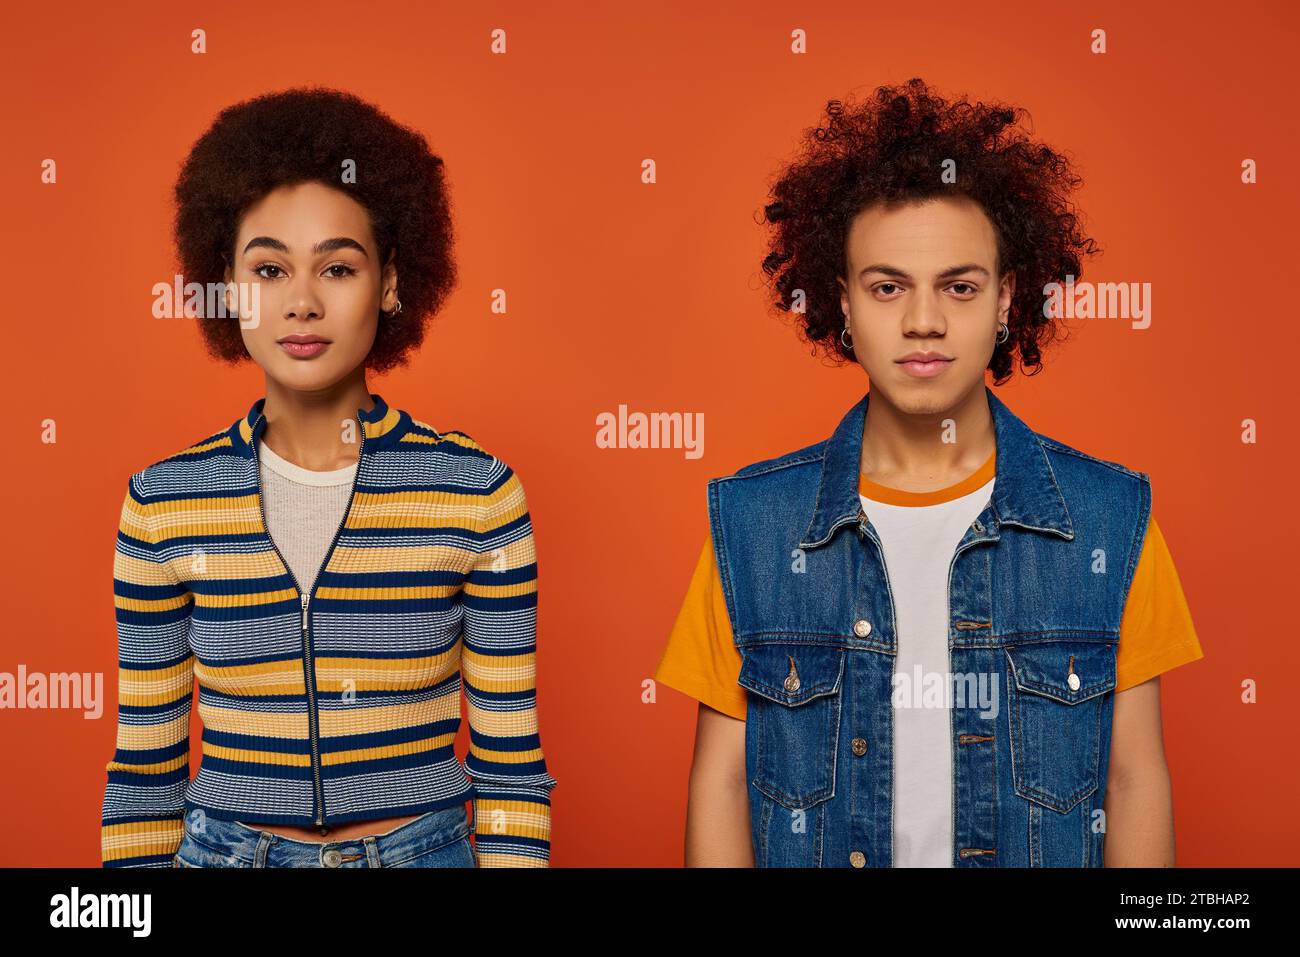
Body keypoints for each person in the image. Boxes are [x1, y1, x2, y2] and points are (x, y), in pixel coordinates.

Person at [654, 78, 1203, 868]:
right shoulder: (752, 525)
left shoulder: (1109, 519)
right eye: (888, 287)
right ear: (843, 304)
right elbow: (722, 785)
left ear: (1007, 298)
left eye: (959, 285)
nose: (923, 320)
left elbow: (1134, 776)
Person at [100, 88, 556, 868]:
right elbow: (145, 774)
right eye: (269, 268)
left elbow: (511, 764)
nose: (302, 302)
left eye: (337, 268)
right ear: (229, 288)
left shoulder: (476, 492)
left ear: (388, 283)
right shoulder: (161, 503)